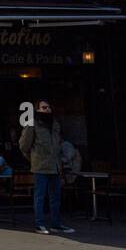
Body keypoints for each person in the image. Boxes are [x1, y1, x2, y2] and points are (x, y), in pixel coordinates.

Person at [19, 100, 74, 235]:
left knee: (55, 196)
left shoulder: (55, 124)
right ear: (37, 110)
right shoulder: (32, 124)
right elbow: (24, 145)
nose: (47, 109)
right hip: (40, 166)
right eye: (44, 107)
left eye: (49, 107)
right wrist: (34, 158)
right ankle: (39, 224)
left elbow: (58, 143)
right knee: (40, 196)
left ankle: (56, 224)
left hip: (54, 165)